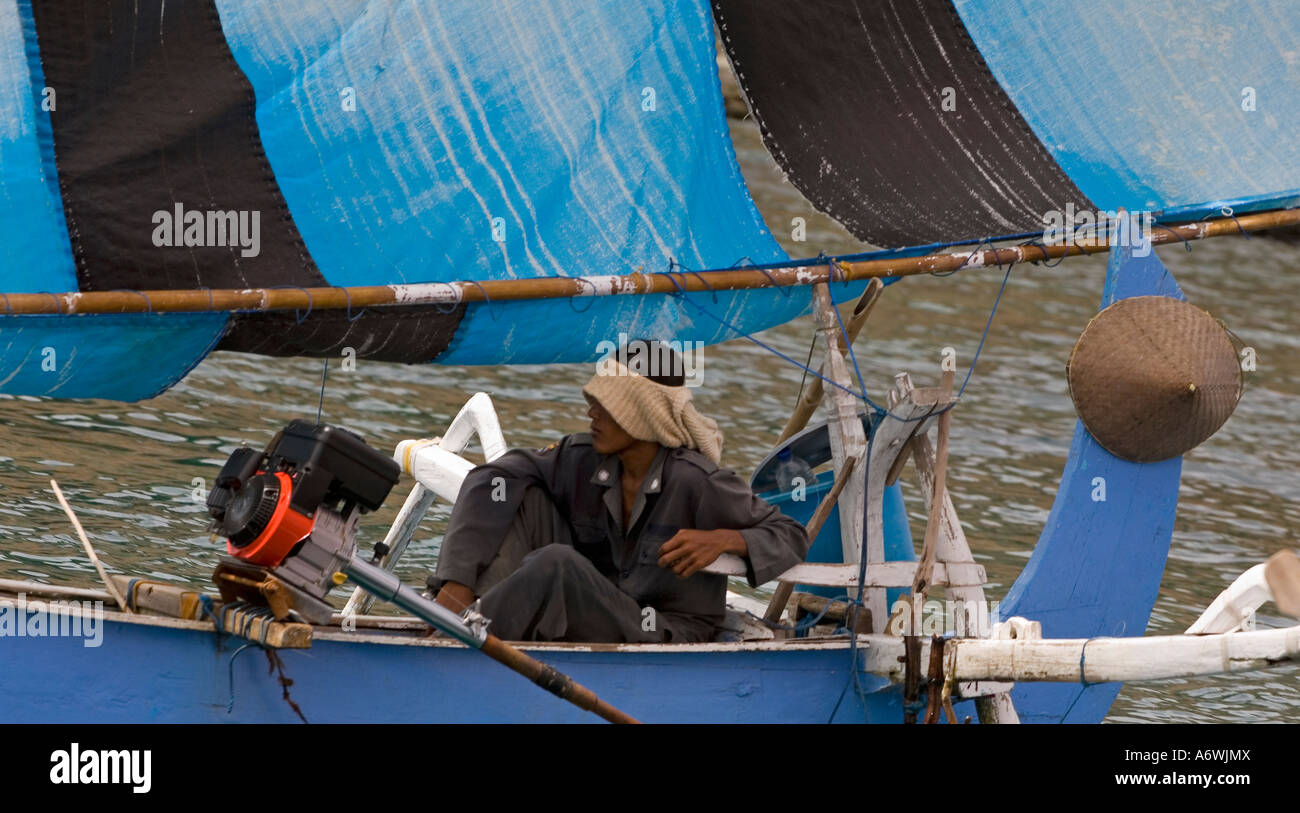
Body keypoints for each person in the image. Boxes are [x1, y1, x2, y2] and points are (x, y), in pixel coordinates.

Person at [429, 339, 810, 643]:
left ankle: (460, 639)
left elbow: (792, 535)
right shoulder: (580, 458)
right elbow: (491, 478)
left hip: (664, 628)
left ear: (641, 414)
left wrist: (725, 539)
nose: (591, 413)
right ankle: (460, 616)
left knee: (557, 563)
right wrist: (457, 580)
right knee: (516, 493)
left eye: (606, 406)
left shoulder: (698, 481)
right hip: (597, 603)